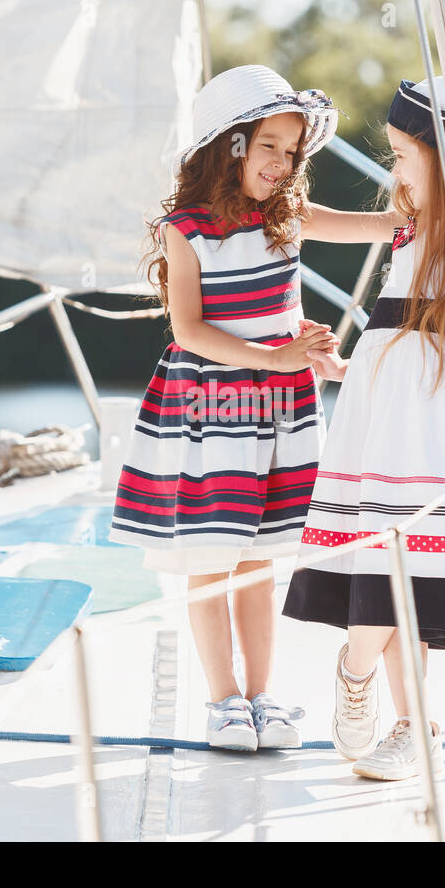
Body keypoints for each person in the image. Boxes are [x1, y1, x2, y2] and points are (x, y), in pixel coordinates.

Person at [281, 56, 445, 780]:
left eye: (402, 154)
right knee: (381, 557)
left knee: (415, 575)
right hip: (382, 408)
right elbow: (293, 218)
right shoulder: (400, 223)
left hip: (443, 421)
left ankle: (397, 710)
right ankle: (371, 685)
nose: (392, 168)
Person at [108, 65, 342, 751]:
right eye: (269, 145)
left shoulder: (287, 219)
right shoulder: (187, 229)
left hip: (279, 413)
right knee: (212, 556)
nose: (282, 163)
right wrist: (273, 358)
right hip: (213, 408)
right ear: (231, 145)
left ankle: (263, 696)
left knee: (261, 562)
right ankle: (222, 700)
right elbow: (189, 329)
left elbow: (377, 227)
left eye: (292, 152)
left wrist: (426, 210)